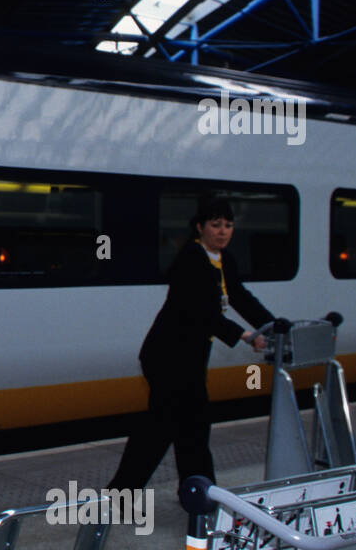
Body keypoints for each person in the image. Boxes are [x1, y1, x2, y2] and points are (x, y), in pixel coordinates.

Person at [106, 195, 276, 501]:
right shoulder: (191, 259)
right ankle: (189, 491)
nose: (223, 231)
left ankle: (192, 491)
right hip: (167, 357)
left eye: (228, 225)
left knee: (184, 427)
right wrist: (246, 335)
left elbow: (239, 296)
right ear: (200, 227)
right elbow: (201, 311)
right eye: (215, 225)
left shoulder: (224, 260)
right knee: (173, 427)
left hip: (190, 359)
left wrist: (272, 324)